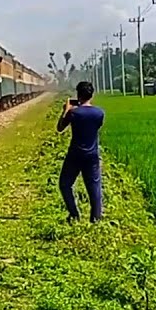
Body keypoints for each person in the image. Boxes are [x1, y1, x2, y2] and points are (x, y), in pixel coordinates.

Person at [56, 80, 104, 223]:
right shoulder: (99, 113)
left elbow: (59, 128)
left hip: (75, 155)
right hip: (92, 155)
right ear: (92, 95)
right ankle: (96, 218)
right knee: (94, 187)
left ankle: (74, 214)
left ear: (78, 94)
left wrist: (65, 110)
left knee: (65, 184)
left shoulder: (73, 113)